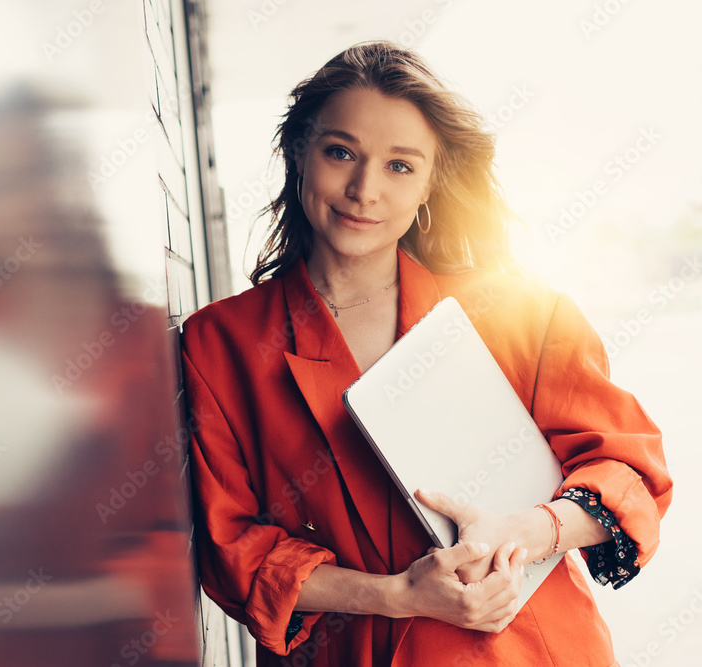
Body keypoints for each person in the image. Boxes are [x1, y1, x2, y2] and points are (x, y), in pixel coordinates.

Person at [181, 41, 672, 666]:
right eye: (341, 153)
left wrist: (523, 531)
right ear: (299, 152)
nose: (364, 190)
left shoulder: (522, 313)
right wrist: (398, 596)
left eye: (400, 166)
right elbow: (235, 550)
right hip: (353, 651)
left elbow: (628, 473)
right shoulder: (218, 343)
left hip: (526, 647)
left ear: (430, 183)